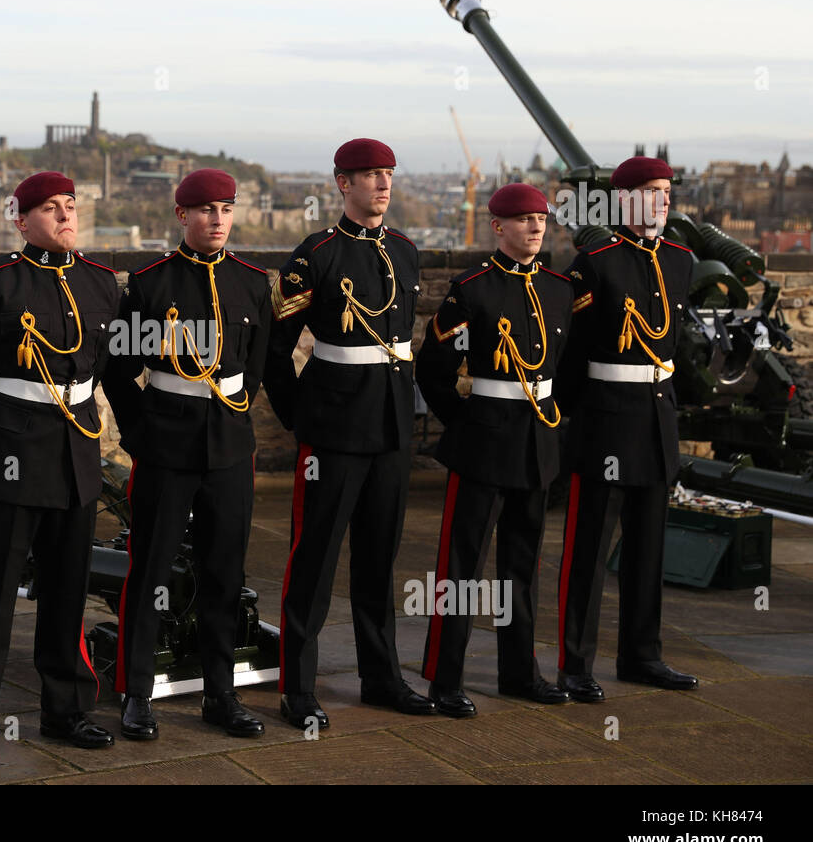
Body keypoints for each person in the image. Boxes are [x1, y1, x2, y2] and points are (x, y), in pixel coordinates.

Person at [0, 171, 120, 765]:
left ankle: (67, 713)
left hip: (76, 456)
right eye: (50, 208)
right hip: (8, 457)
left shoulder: (100, 285)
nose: (67, 216)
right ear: (21, 221)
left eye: (71, 205)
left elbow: (104, 370)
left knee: (69, 593)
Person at [263, 138, 435, 727]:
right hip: (333, 428)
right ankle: (298, 688)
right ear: (342, 184)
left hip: (389, 426)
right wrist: (300, 419)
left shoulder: (406, 251)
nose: (382, 184)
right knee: (313, 558)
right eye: (368, 175)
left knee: (378, 560)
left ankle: (382, 678)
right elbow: (274, 351)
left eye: (387, 174)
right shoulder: (315, 256)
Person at [103, 168, 272, 740]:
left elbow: (260, 364)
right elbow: (120, 370)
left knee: (225, 572)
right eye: (205, 211)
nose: (217, 220)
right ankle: (137, 693)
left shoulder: (252, 281)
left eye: (226, 209)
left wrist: (235, 413)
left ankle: (220, 696)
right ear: (182, 216)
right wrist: (140, 435)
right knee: (149, 570)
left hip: (229, 446)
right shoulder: (149, 284)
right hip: (166, 446)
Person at [415, 183, 573, 718]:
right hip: (483, 443)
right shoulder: (472, 289)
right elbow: (432, 371)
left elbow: (564, 371)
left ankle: (519, 673)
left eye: (541, 219)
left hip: (537, 444)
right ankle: (445, 677)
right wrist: (466, 424)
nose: (534, 227)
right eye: (522, 220)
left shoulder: (558, 289)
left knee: (521, 566)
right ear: (497, 227)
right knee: (462, 568)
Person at [556, 156, 697, 701]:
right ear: (623, 200)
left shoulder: (681, 260)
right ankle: (575, 663)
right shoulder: (594, 263)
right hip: (604, 418)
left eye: (667, 191)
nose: (663, 199)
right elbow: (570, 350)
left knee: (648, 547)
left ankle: (643, 655)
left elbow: (673, 346)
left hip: (657, 416)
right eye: (651, 191)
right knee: (587, 548)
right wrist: (574, 415)